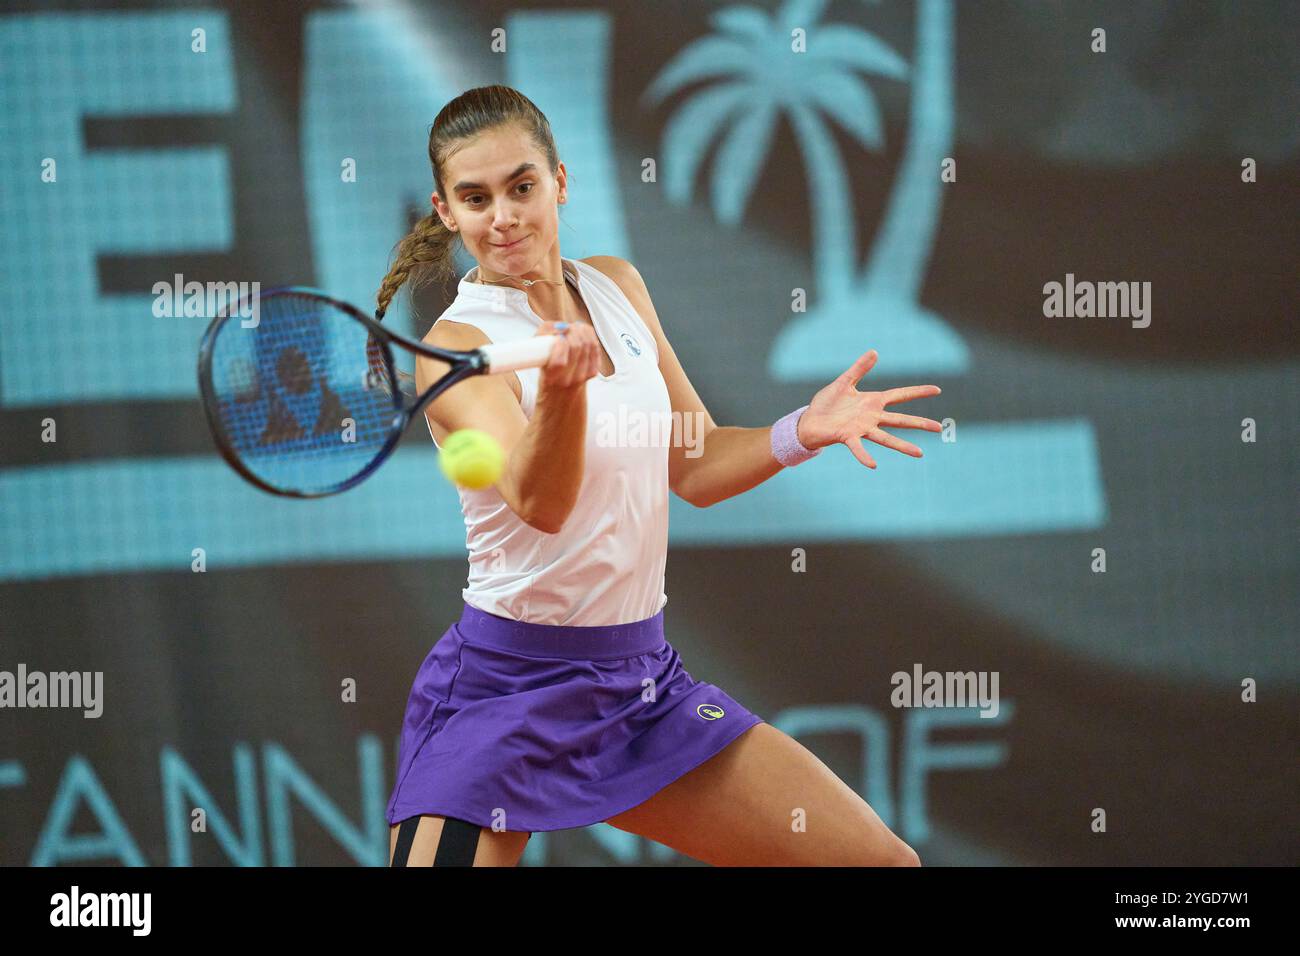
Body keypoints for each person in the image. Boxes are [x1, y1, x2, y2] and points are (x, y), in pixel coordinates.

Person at [376, 85, 939, 866]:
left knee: (881, 865)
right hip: (503, 694)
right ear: (447, 212)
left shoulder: (617, 288)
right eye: (476, 198)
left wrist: (799, 432)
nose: (502, 216)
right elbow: (539, 501)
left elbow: (696, 461)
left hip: (639, 689)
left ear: (560, 182)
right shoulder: (452, 348)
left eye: (521, 186)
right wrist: (565, 393)